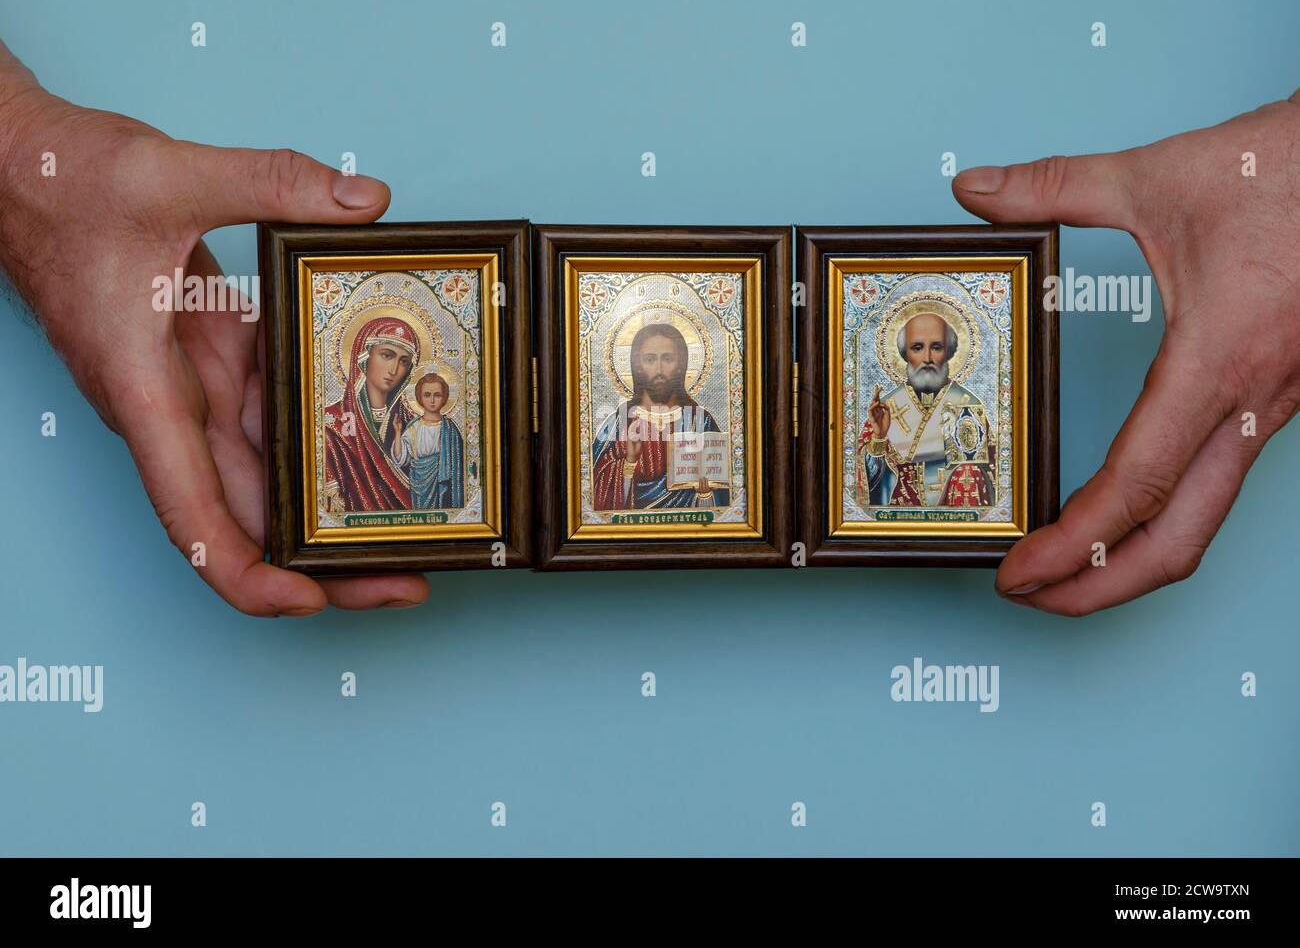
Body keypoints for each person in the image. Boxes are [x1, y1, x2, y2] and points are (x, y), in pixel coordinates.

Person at [0, 35, 1295, 616]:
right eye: (386, 350)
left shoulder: (766, 406)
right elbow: (617, 460)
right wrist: (22, 161)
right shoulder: (596, 410)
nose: (929, 357)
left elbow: (763, 449)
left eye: (934, 346)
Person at [858, 306, 995, 508]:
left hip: (955, 507)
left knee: (970, 473)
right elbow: (864, 482)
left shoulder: (967, 403)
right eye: (917, 347)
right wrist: (879, 437)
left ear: (949, 352)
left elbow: (992, 471)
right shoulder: (886, 408)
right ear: (905, 353)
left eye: (937, 347)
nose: (927, 358)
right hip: (902, 509)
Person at [591, 322, 729, 510]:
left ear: (681, 364)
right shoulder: (620, 422)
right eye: (649, 359)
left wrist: (705, 494)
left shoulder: (699, 421)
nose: (659, 370)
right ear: (637, 366)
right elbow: (594, 496)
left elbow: (725, 502)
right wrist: (629, 463)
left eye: (667, 359)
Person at [323, 316, 419, 514]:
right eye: (387, 355)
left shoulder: (414, 424)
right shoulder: (331, 425)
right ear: (364, 357)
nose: (394, 369)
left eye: (404, 361)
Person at [390, 372, 465, 510]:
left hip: (444, 486)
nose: (432, 400)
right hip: (419, 484)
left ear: (444, 398)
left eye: (437, 395)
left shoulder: (450, 429)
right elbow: (400, 458)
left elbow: (458, 464)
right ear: (419, 397)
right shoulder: (414, 428)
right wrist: (398, 431)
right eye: (427, 395)